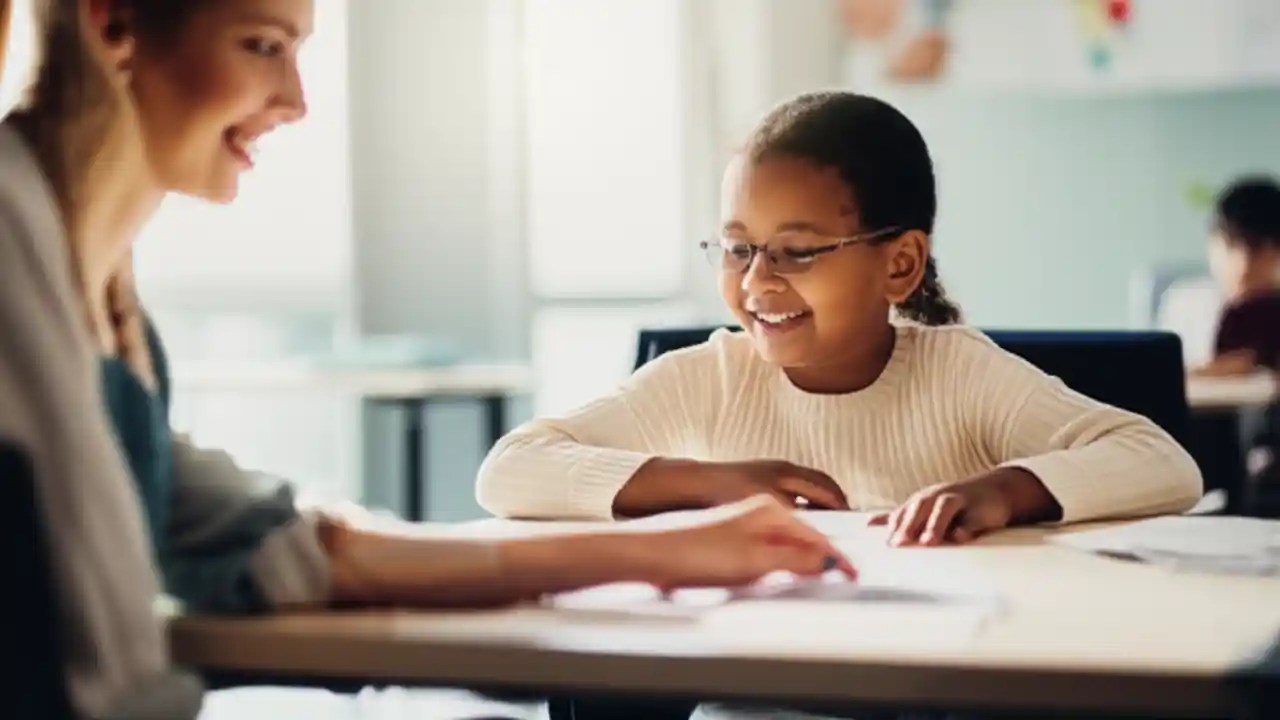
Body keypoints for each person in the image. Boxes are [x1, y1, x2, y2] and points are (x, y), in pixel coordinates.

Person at [0, 1, 854, 717]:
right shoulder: (13, 247)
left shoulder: (113, 317)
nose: (296, 100)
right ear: (112, 24)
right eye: (262, 45)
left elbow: (288, 549)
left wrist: (668, 553)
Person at [477, 91, 1203, 547]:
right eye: (736, 248)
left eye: (796, 251)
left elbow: (1163, 463)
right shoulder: (708, 378)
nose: (757, 279)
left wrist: (1004, 491)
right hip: (758, 676)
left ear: (899, 265)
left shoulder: (959, 372)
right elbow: (508, 472)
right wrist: (704, 482)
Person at [1193, 176, 1280, 377]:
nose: (1243, 266)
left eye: (1257, 250)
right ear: (1212, 243)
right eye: (1232, 246)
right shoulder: (1188, 305)